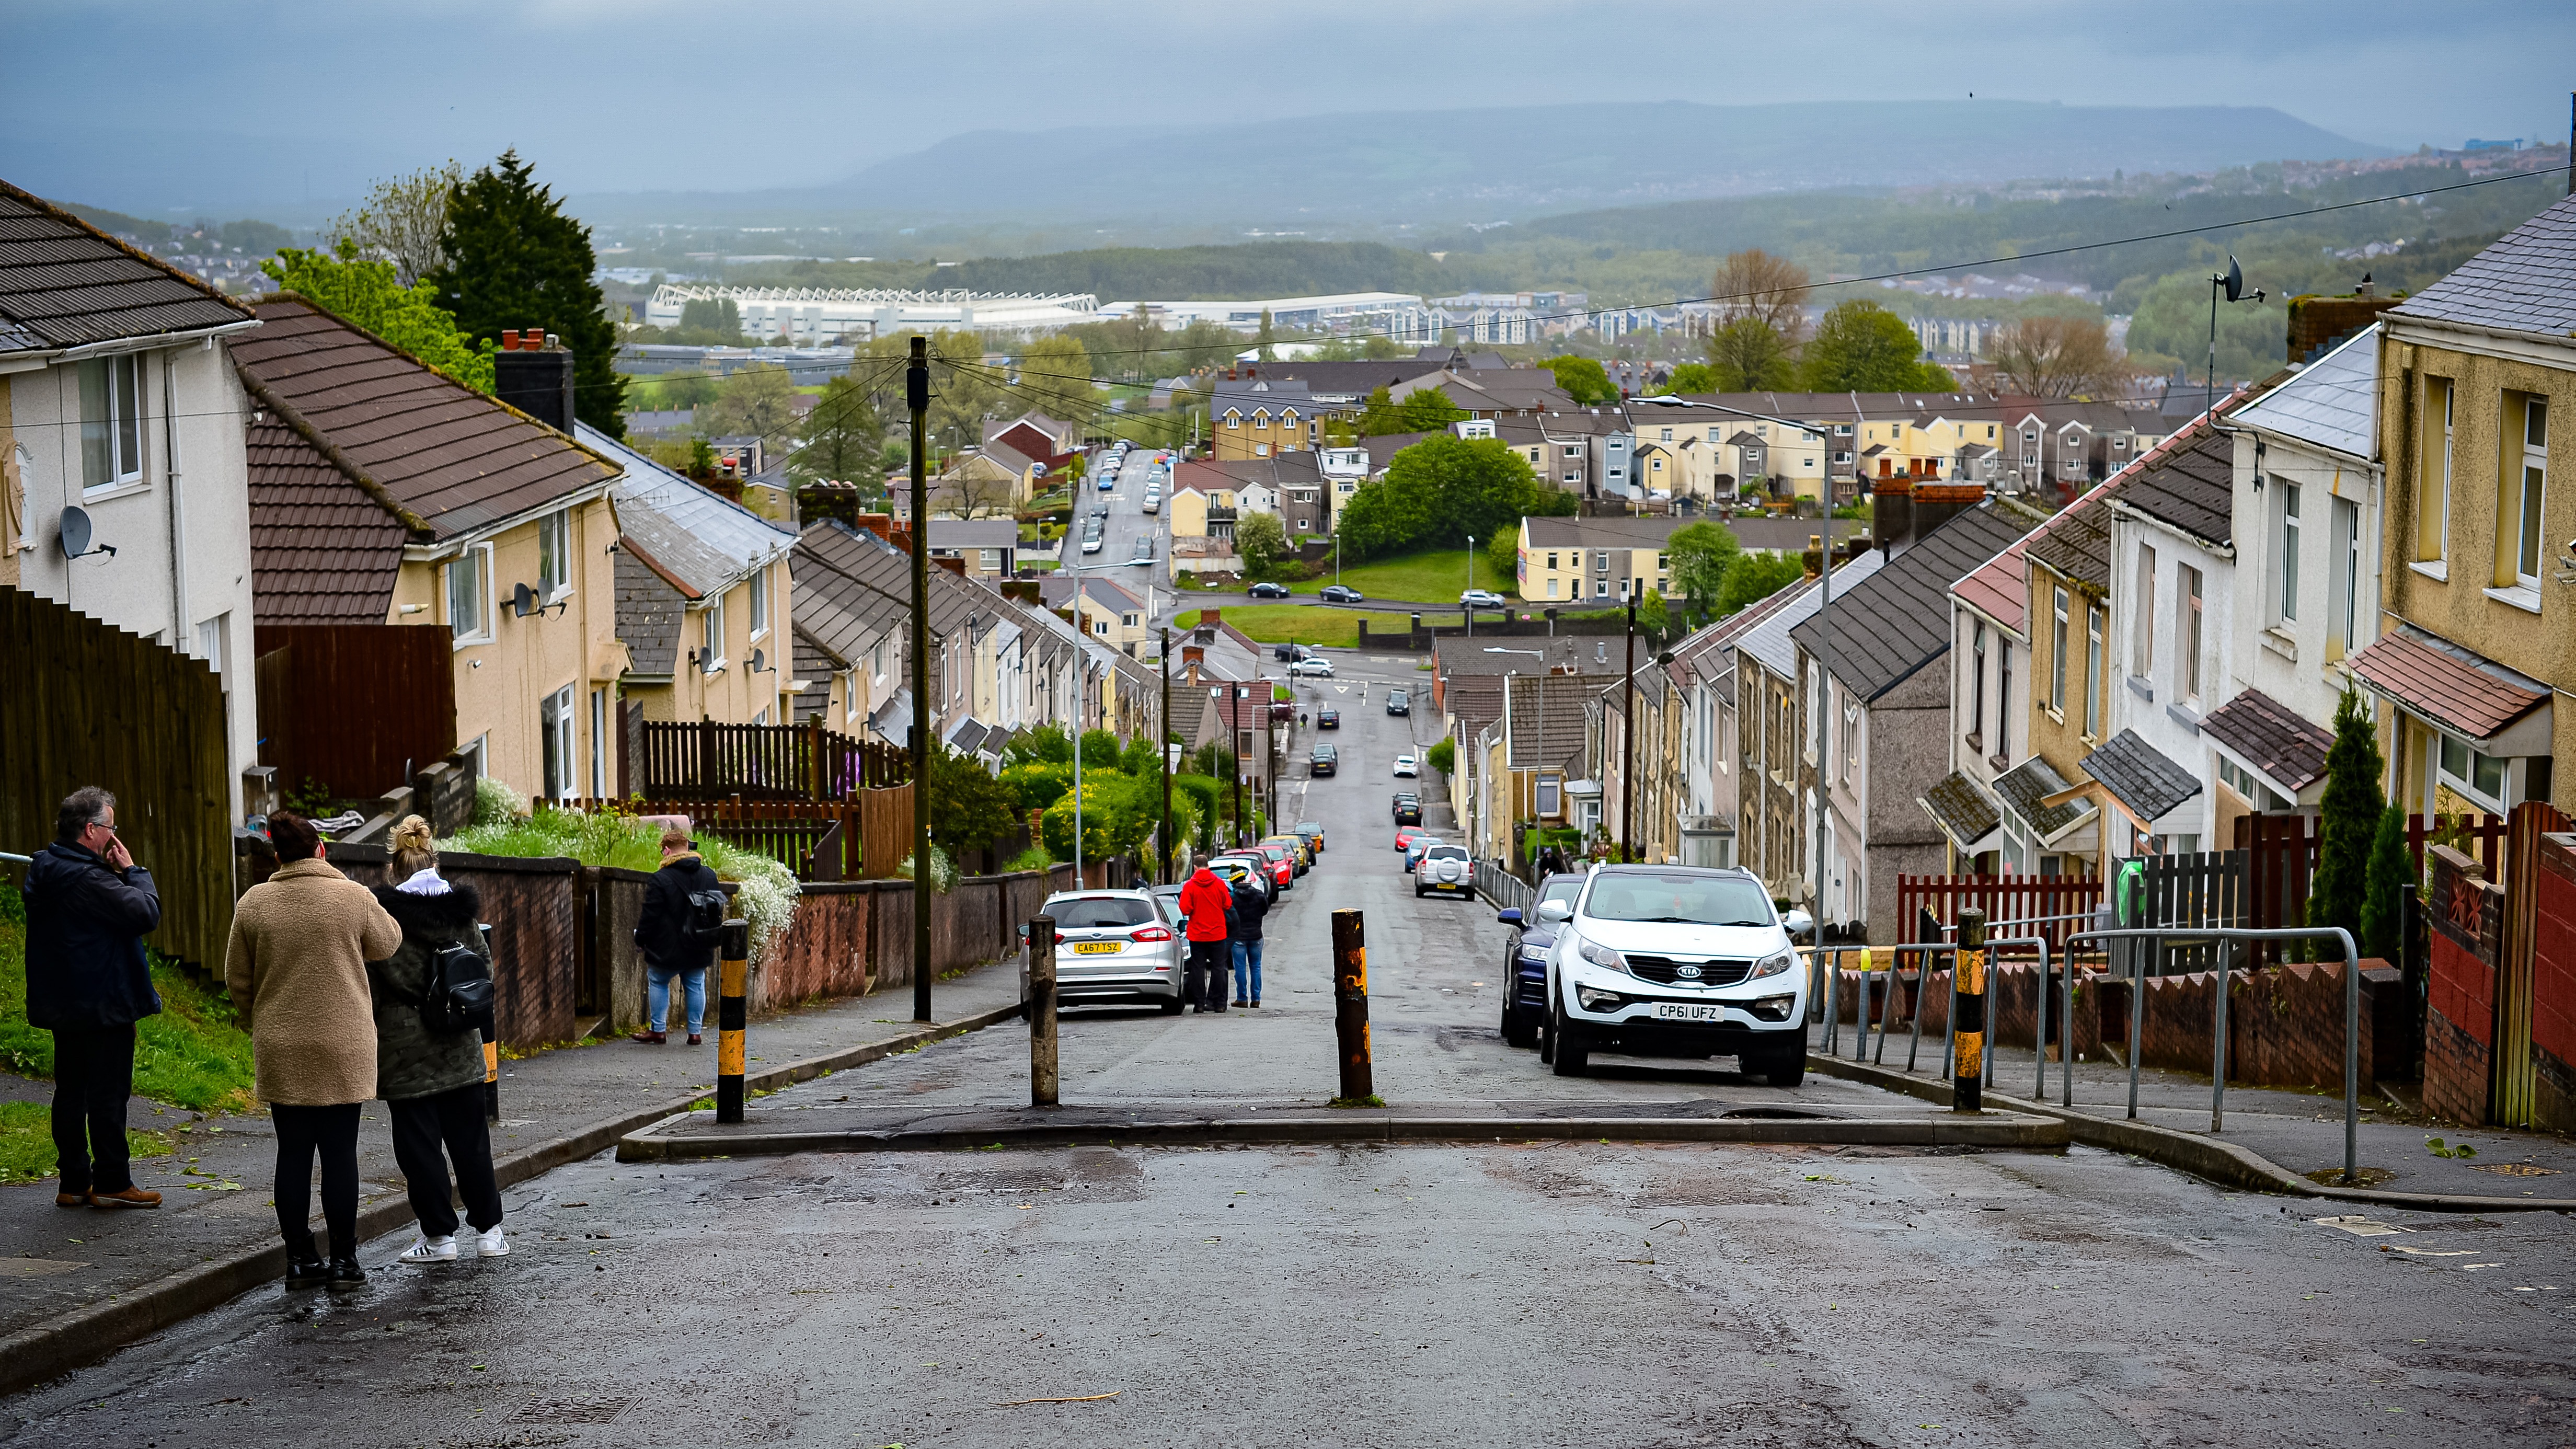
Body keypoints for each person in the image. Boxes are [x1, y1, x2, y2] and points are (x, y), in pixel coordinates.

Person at [226, 810, 402, 1291]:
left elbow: (237, 980)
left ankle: (302, 1260)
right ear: (321, 849)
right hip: (345, 1044)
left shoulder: (254, 903)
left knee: (294, 1153)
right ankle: (345, 1261)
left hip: (282, 1044)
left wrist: (259, 1019)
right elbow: (389, 942)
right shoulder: (352, 896)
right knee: (341, 1154)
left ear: (277, 856)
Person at [369, 818, 507, 1265]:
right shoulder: (461, 915)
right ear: (435, 861)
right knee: (471, 1145)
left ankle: (440, 1239)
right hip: (458, 1046)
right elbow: (481, 971)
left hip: (405, 1054)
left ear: (394, 867)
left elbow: (375, 981)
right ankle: (489, 1233)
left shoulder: (385, 920)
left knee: (419, 1151)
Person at [22, 787, 164, 1210]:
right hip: (104, 1001)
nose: (114, 836)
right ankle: (112, 1181)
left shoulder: (46, 868)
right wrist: (133, 870)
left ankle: (73, 1182)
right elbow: (145, 914)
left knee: (70, 1092)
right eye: (111, 828)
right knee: (107, 1094)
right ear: (91, 830)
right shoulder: (90, 879)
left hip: (64, 1000)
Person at [632, 824, 720, 1045]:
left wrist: (641, 937)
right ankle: (695, 1033)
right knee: (696, 983)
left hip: (667, 947)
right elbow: (715, 909)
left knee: (658, 981)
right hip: (699, 941)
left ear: (667, 851)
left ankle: (659, 1031)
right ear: (688, 848)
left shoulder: (661, 878)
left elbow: (650, 914)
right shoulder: (709, 875)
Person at [1176, 854, 1235, 1015]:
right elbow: (1228, 904)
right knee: (1219, 968)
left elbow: (1185, 909)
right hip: (1217, 933)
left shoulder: (1189, 886)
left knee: (1198, 969)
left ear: (1195, 867)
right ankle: (1220, 1004)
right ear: (1207, 866)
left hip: (1197, 935)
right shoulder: (1219, 884)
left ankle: (1200, 1004)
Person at [1226, 864, 1270, 1008]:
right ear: (1244, 879)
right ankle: (1256, 999)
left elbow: (1229, 916)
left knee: (1240, 968)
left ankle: (1242, 998)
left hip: (1239, 937)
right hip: (1257, 935)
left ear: (1234, 882)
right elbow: (1265, 911)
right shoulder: (1258, 894)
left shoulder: (1231, 898)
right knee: (1256, 967)